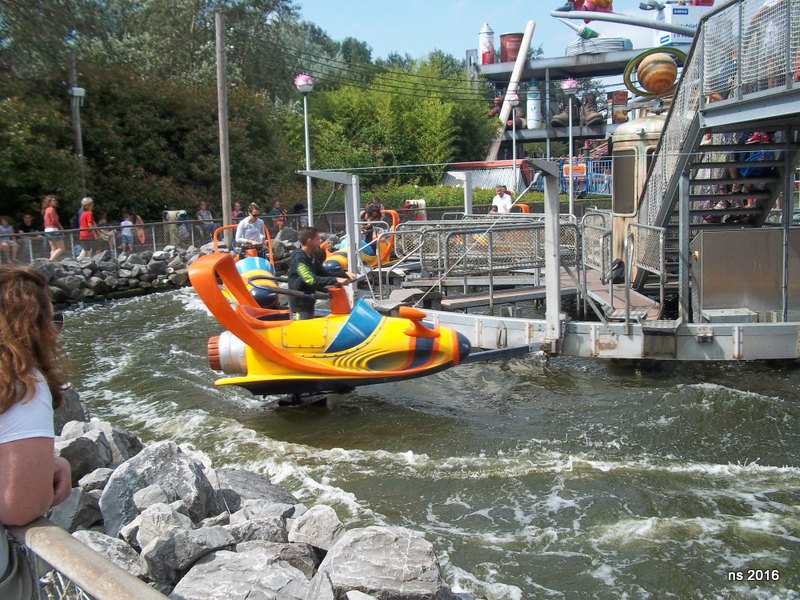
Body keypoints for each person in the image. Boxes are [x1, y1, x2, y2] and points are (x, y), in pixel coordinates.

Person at [0, 266, 72, 590]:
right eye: (51, 320)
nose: (54, 331)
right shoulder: (20, 383)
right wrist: (54, 470)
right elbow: (20, 506)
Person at [287, 227, 354, 320]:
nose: (320, 242)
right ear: (309, 241)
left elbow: (323, 273)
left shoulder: (311, 256)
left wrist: (344, 274)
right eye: (317, 239)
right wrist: (336, 280)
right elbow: (310, 279)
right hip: (299, 305)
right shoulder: (299, 258)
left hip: (309, 301)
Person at [41, 195, 65, 262]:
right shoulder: (51, 209)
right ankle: (50, 261)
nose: (55, 202)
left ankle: (52, 263)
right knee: (61, 248)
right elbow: (54, 221)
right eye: (53, 200)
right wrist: (60, 228)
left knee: (53, 248)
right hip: (53, 230)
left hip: (47, 230)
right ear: (49, 202)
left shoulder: (46, 210)